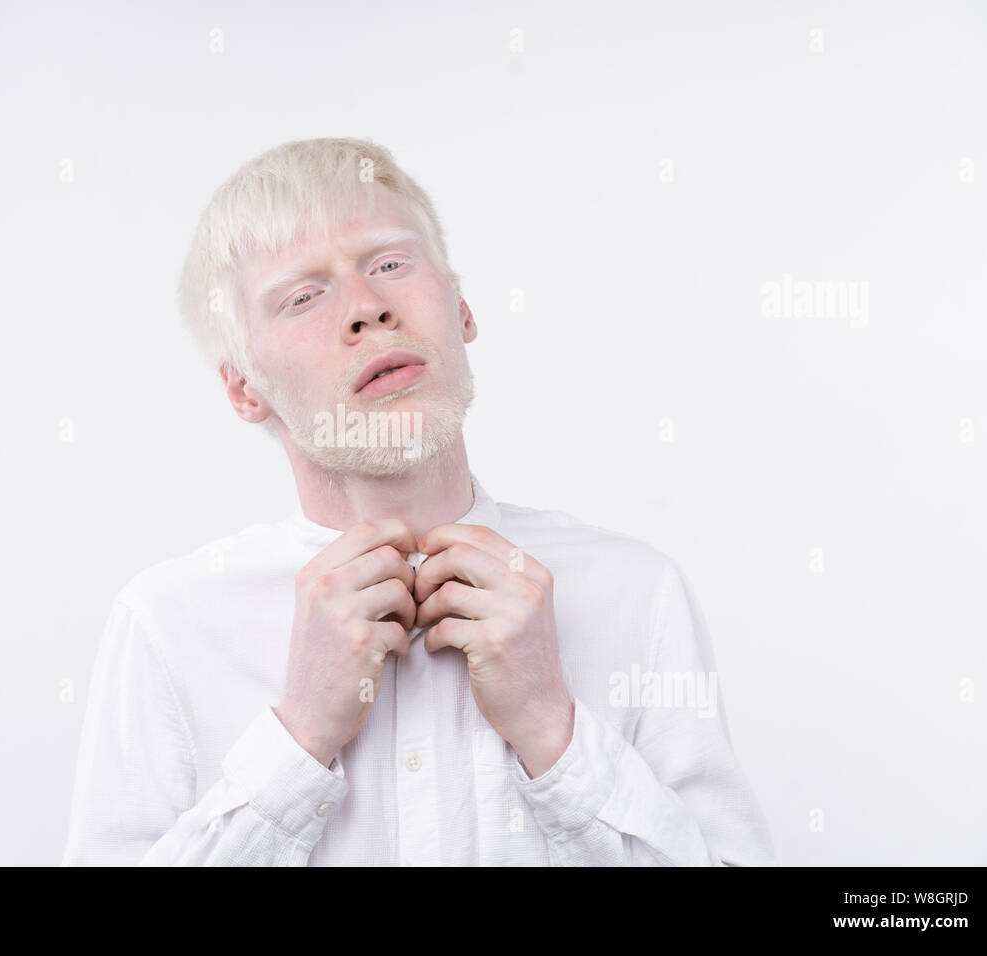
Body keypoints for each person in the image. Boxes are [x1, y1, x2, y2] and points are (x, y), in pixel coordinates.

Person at [61, 136, 776, 866]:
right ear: (244, 388)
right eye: (303, 296)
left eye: (390, 264)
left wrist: (552, 732)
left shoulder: (636, 593)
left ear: (461, 309)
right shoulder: (165, 626)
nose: (367, 308)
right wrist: (297, 740)